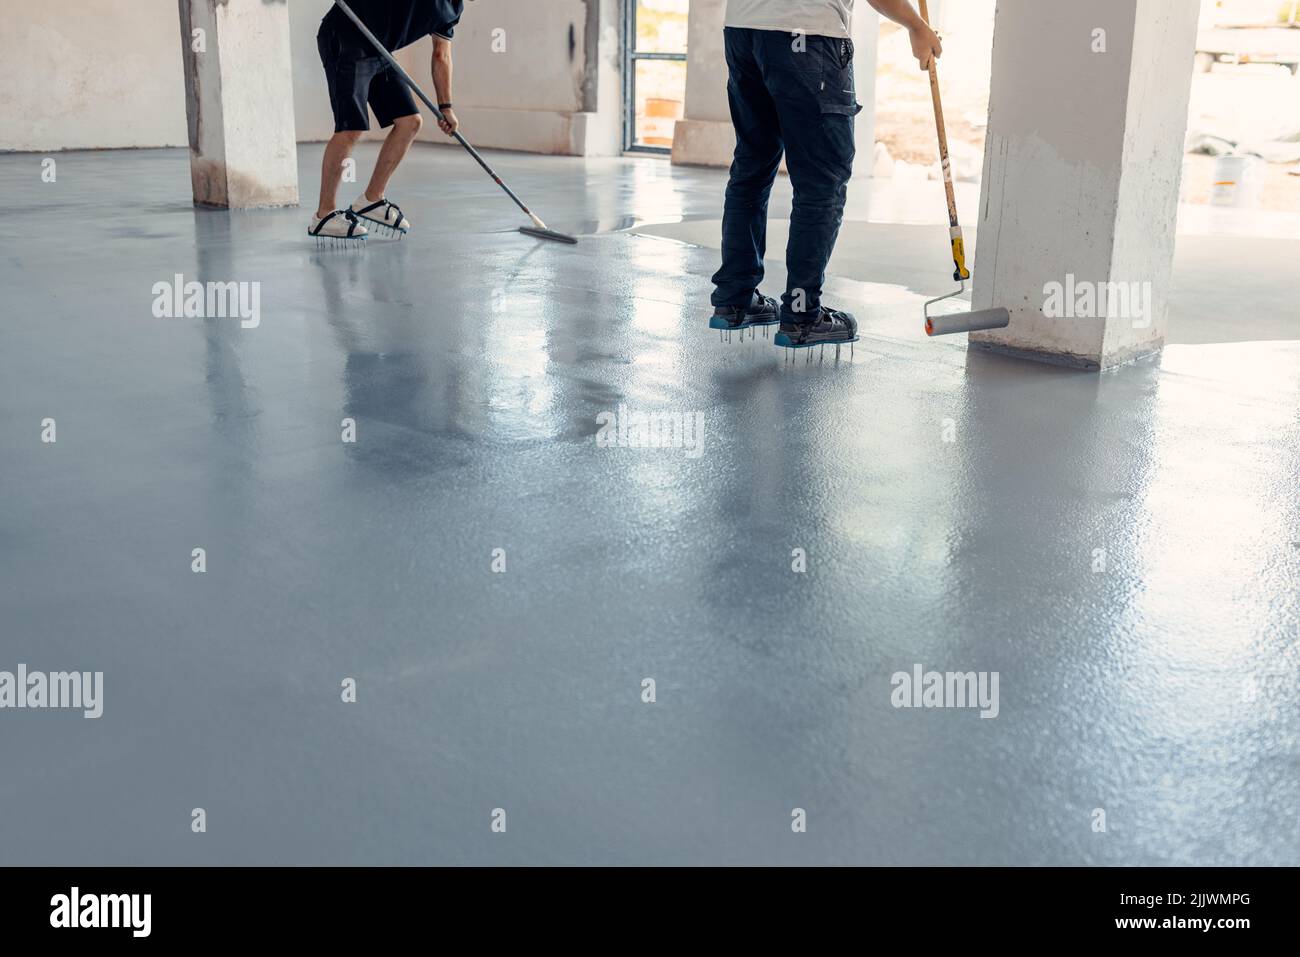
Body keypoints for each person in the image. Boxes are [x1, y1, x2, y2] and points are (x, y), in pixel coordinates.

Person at [709, 0, 943, 347]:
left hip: (743, 31)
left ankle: (735, 300)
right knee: (820, 181)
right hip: (807, 35)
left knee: (751, 168)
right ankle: (803, 316)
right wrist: (916, 26)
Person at [309, 0, 469, 241]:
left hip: (378, 49)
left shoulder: (453, 10)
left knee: (410, 121)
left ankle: (371, 200)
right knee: (350, 127)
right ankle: (324, 216)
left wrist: (445, 107)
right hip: (347, 34)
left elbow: (441, 54)